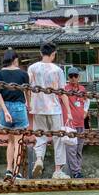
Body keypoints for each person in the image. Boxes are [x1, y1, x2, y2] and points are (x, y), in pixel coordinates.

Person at [27, 42, 72, 178]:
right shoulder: (57, 70)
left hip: (37, 108)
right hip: (54, 109)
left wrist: (29, 103)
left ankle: (39, 159)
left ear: (41, 53)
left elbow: (27, 88)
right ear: (53, 54)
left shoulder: (32, 68)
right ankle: (58, 170)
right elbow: (62, 92)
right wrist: (69, 112)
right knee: (58, 138)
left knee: (40, 136)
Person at [0, 48, 30, 180]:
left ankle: (8, 169)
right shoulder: (23, 74)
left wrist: (5, 111)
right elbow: (27, 92)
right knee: (18, 141)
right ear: (15, 60)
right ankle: (17, 171)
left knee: (10, 141)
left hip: (5, 108)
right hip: (19, 107)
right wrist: (28, 104)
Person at [62, 67, 89, 178]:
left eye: (75, 76)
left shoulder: (82, 89)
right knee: (71, 149)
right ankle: (76, 172)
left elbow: (87, 100)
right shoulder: (64, 89)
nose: (73, 78)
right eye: (71, 76)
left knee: (78, 150)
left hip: (81, 123)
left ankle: (76, 172)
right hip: (70, 125)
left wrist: (86, 111)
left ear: (79, 77)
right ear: (68, 77)